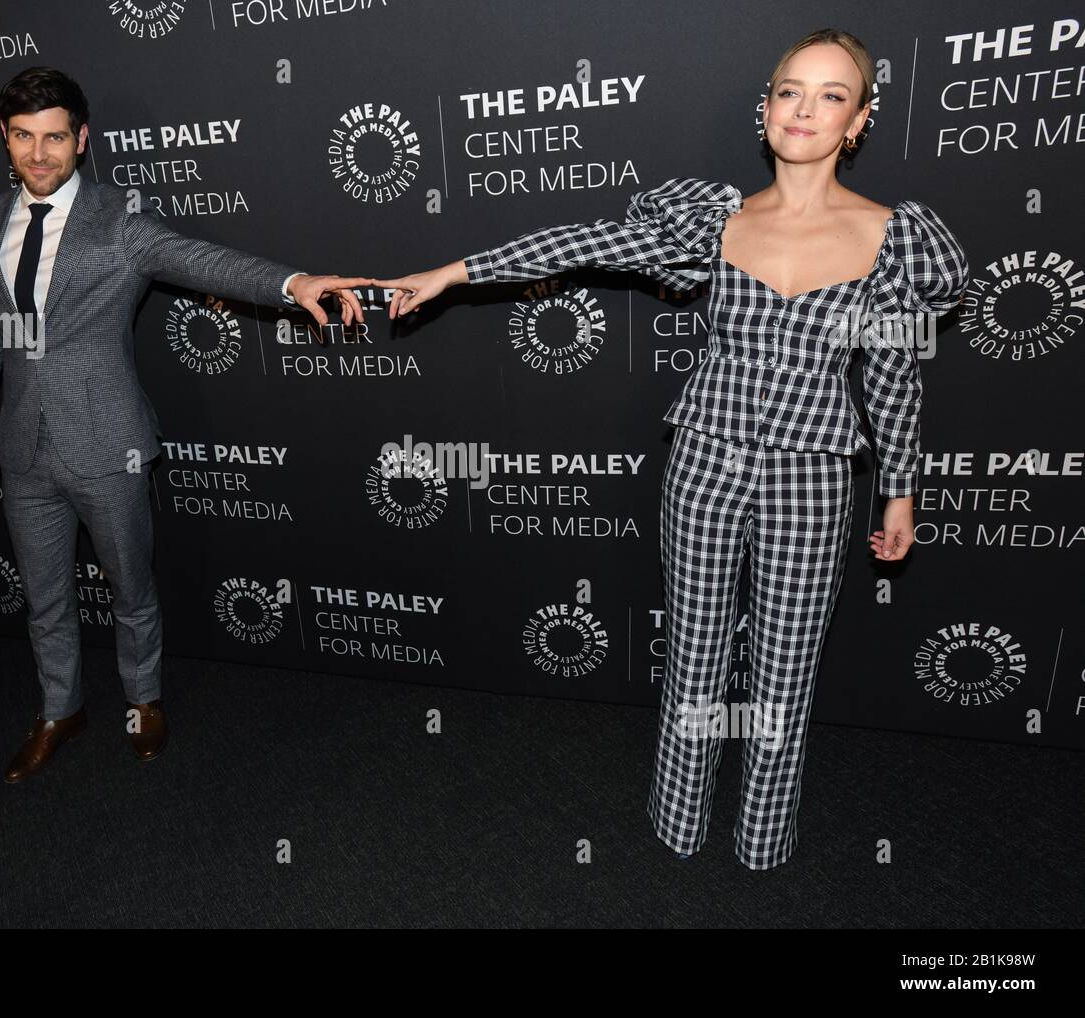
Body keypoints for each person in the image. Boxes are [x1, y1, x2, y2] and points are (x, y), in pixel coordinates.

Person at [375, 29, 970, 869]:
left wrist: (899, 489)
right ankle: (679, 819)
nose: (805, 108)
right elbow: (578, 244)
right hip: (703, 462)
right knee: (693, 650)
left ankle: (761, 836)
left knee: (785, 670)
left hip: (812, 477)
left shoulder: (893, 240)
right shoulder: (712, 223)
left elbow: (895, 376)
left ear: (860, 120)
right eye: (790, 90)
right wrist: (451, 273)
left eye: (831, 95)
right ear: (764, 107)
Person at [0, 66, 367, 784]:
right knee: (45, 599)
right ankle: (60, 710)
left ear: (82, 140)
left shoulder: (118, 221)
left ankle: (142, 701)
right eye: (24, 137)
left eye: (55, 138)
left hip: (108, 443)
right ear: (5, 138)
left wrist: (292, 284)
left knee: (130, 589)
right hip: (21, 448)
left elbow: (199, 259)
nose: (39, 154)